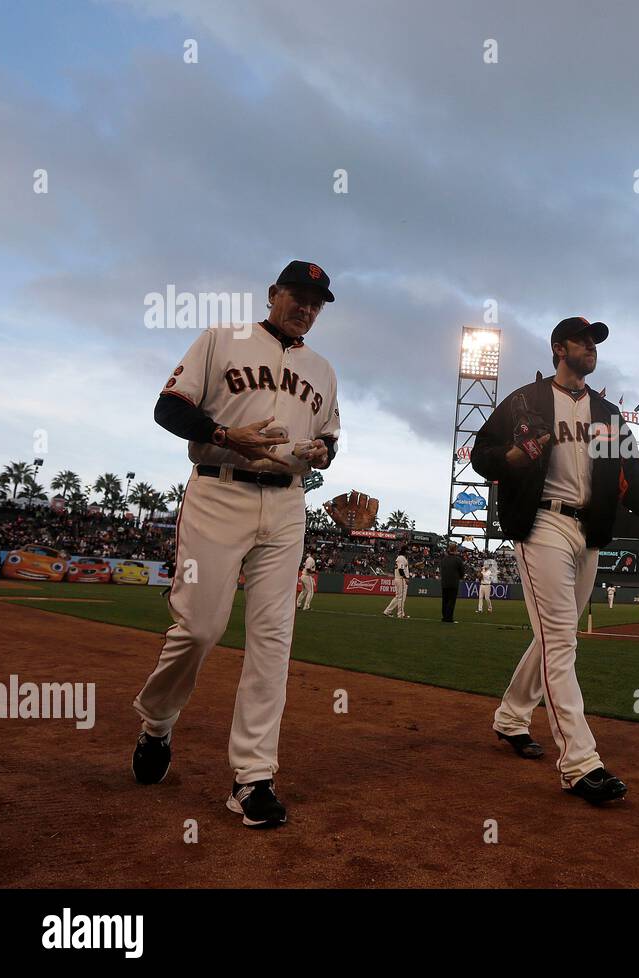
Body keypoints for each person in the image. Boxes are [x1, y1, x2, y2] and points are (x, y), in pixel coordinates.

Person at [131, 259, 340, 829]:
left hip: (287, 504)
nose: (306, 307)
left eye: (316, 302)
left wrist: (323, 452)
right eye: (298, 295)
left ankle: (253, 778)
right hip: (219, 493)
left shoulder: (322, 369)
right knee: (199, 627)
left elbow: (329, 438)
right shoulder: (222, 339)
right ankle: (156, 721)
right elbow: (167, 407)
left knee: (272, 639)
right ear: (273, 294)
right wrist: (223, 434)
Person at [472, 316, 639, 804]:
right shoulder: (525, 400)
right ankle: (581, 763)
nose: (591, 347)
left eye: (595, 342)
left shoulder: (607, 414)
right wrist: (510, 461)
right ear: (559, 348)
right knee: (561, 639)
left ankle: (511, 717)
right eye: (583, 341)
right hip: (541, 524)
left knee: (553, 639)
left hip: (590, 530)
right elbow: (482, 454)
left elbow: (633, 474)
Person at [439, 542, 465, 622]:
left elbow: (441, 570)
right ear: (456, 550)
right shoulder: (458, 560)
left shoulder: (444, 559)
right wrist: (460, 577)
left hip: (444, 583)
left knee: (445, 601)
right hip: (453, 583)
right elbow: (462, 572)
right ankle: (449, 618)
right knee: (451, 601)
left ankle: (444, 617)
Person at [383, 546, 410, 618]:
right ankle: (400, 614)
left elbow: (403, 568)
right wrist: (405, 578)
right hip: (401, 579)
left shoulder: (401, 558)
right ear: (405, 551)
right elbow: (400, 570)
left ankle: (387, 611)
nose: (409, 552)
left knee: (398, 597)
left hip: (399, 578)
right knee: (401, 598)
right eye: (408, 550)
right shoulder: (401, 558)